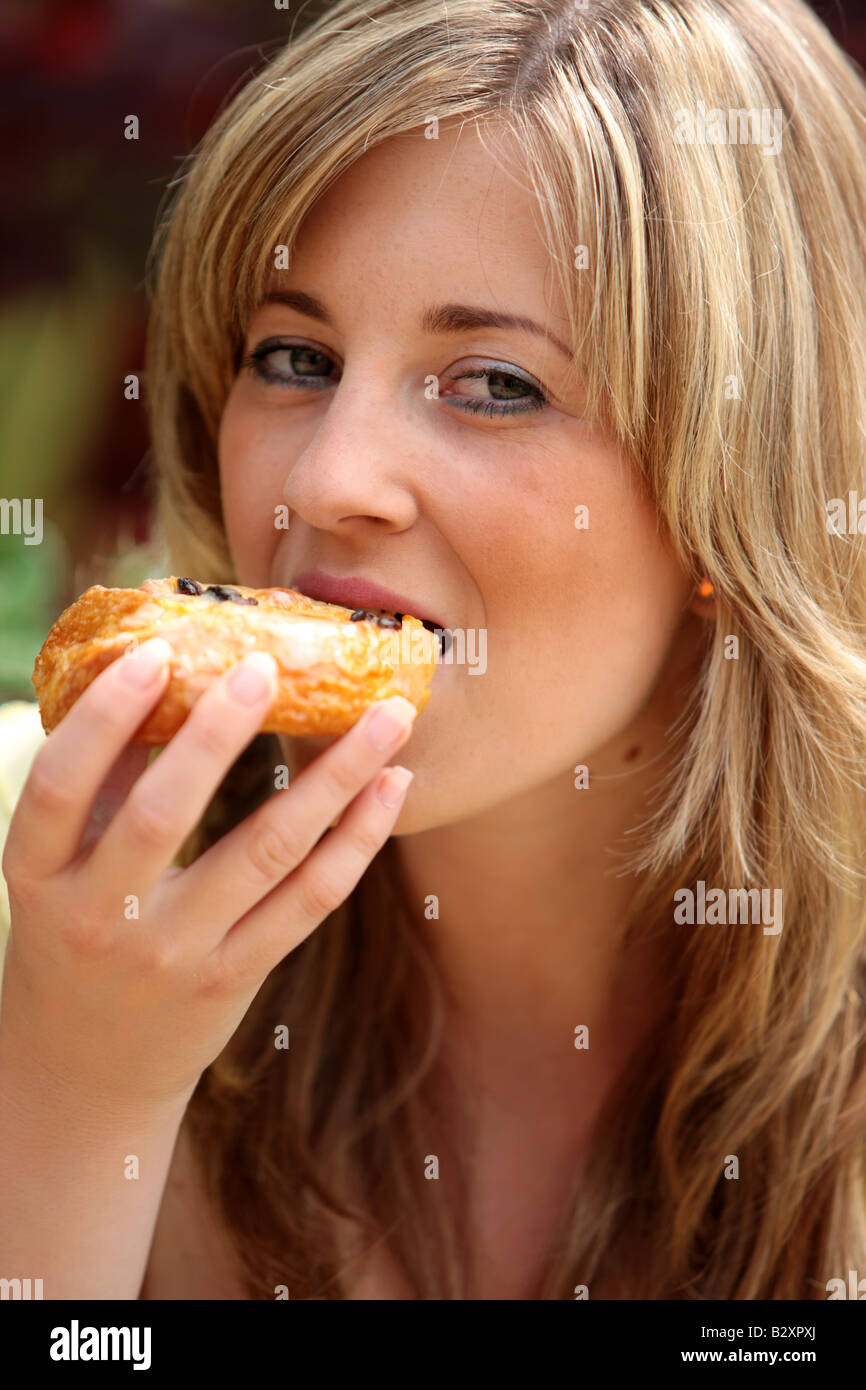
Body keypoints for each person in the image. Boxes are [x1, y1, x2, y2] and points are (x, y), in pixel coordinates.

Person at [2, 0, 866, 1300]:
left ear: (735, 493)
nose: (330, 476)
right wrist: (79, 1095)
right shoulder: (34, 882)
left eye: (495, 384)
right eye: (292, 357)